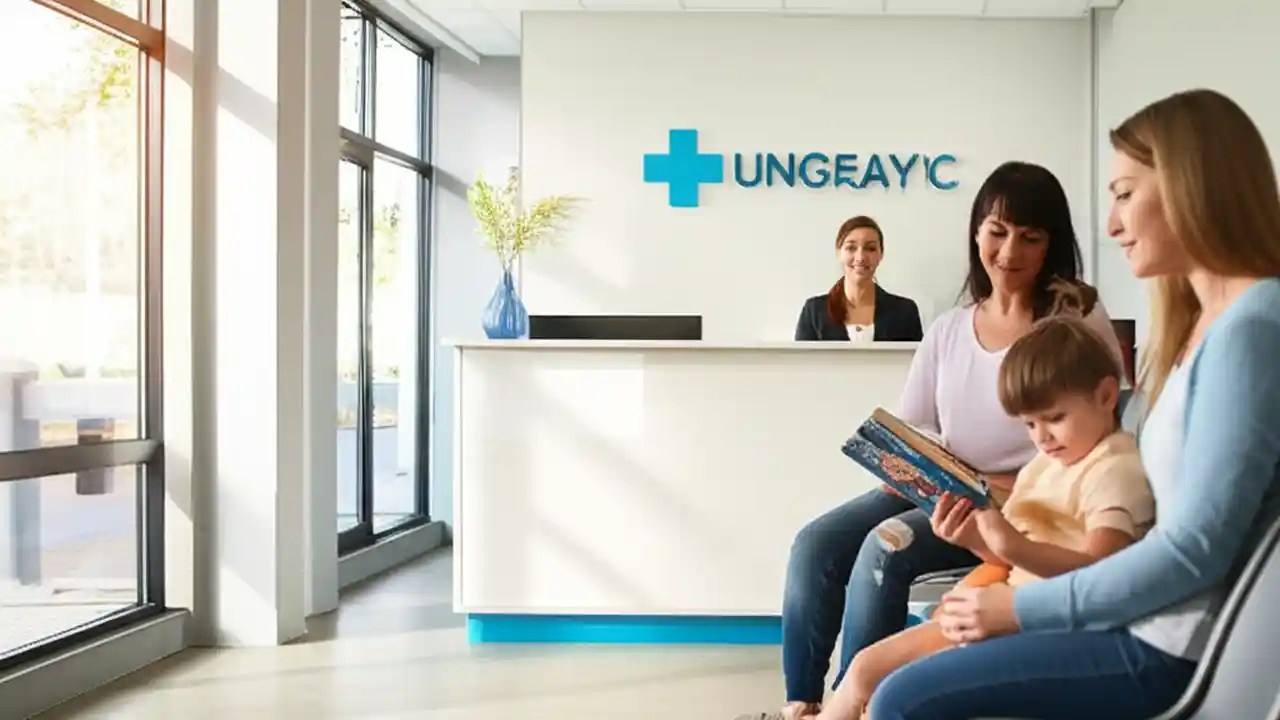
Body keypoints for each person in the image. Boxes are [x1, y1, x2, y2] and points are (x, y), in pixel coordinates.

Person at [868, 89, 1280, 720]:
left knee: (901, 697)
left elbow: (1193, 552)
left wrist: (1021, 607)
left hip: (1165, 647)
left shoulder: (1248, 331)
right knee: (889, 669)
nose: (1112, 225)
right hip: (1143, 621)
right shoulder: (1207, 328)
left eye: (1124, 194)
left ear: (1190, 187)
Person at [738, 162, 1126, 720]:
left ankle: (852, 703)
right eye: (997, 232)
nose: (1009, 252)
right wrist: (910, 465)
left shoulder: (1075, 319)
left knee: (885, 547)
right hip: (945, 486)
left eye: (1030, 237)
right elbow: (916, 424)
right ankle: (802, 704)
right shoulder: (949, 329)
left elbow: (1106, 426)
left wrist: (999, 488)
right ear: (976, 233)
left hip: (1021, 504)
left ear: (1052, 244)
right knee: (815, 543)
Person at [811, 316, 1154, 720]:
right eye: (1030, 424)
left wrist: (1012, 545)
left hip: (1044, 623)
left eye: (1055, 418)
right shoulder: (1047, 465)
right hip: (1009, 609)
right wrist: (971, 538)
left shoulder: (1114, 469)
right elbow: (1011, 559)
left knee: (877, 681)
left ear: (1107, 396)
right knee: (864, 669)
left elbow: (1103, 574)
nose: (1042, 436)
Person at [794, 216, 923, 343]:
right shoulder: (814, 311)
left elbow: (917, 357)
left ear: (881, 254)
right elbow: (801, 357)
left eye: (870, 248)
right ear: (839, 253)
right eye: (851, 248)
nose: (860, 257)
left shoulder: (905, 312)